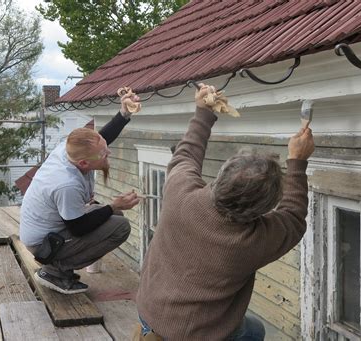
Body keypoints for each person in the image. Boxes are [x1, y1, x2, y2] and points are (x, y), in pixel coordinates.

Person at [136, 84, 315, 340]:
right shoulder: (253, 241)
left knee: (252, 328)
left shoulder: (180, 194)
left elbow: (185, 155)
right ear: (263, 210)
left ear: (221, 177)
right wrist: (297, 162)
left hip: (149, 316)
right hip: (195, 335)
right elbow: (294, 218)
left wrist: (203, 111)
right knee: (255, 332)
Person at [19, 91, 142, 294]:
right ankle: (55, 271)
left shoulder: (70, 150)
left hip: (52, 231)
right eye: (104, 154)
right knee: (120, 226)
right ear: (84, 163)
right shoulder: (66, 183)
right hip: (44, 244)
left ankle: (60, 266)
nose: (108, 152)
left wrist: (124, 112)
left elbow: (103, 139)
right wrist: (113, 206)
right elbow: (78, 228)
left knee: (114, 215)